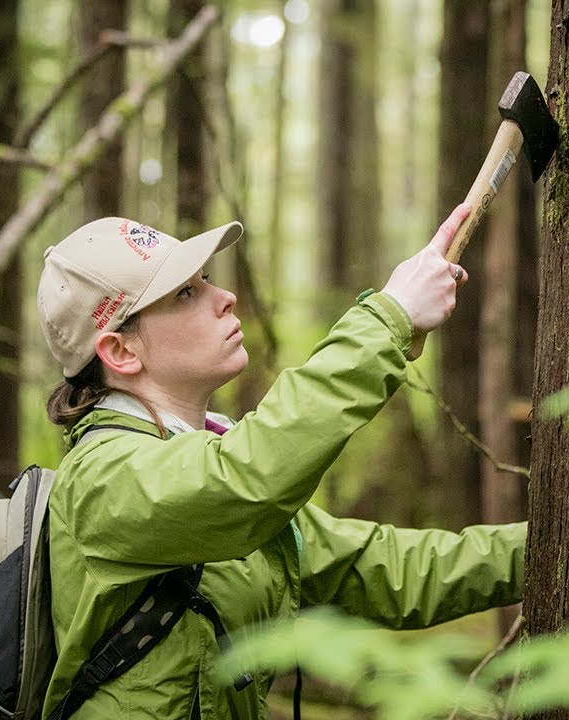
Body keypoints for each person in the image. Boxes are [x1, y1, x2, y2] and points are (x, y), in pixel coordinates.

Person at [35, 205, 525, 719]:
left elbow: (375, 567)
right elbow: (248, 477)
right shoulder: (102, 477)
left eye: (205, 281)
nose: (224, 298)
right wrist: (390, 318)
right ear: (121, 351)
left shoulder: (197, 455)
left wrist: (550, 545)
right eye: (186, 293)